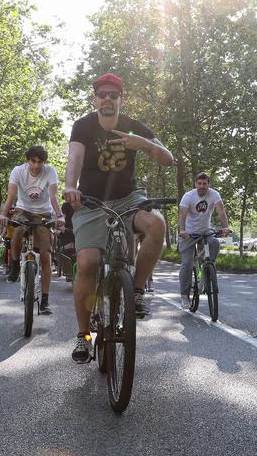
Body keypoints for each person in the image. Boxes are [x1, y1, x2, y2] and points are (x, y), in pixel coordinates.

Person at [63, 73, 174, 363]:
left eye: (114, 94)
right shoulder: (83, 126)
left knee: (157, 225)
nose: (108, 98)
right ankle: (83, 337)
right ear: (95, 99)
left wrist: (144, 144)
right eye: (103, 93)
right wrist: (70, 186)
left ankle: (136, 291)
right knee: (87, 263)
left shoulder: (134, 127)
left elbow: (168, 159)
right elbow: (74, 158)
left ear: (121, 99)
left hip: (129, 198)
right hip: (91, 201)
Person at [1, 145, 63, 314]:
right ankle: (14, 265)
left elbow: (53, 197)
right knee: (18, 230)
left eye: (40, 162)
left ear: (44, 162)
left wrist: (60, 216)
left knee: (45, 256)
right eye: (32, 161)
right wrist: (4, 214)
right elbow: (11, 196)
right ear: (27, 160)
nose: (36, 165)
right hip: (23, 210)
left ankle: (45, 300)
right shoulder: (18, 171)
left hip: (44, 213)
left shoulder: (50, 172)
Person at [177, 172, 230, 301]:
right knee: (187, 264)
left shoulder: (214, 194)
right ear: (196, 184)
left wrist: (226, 227)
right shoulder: (188, 196)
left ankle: (208, 270)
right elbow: (182, 215)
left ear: (208, 184)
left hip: (205, 231)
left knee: (215, 243)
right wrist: (182, 230)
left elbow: (221, 212)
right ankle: (184, 295)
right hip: (188, 234)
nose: (202, 186)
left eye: (204, 184)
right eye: (199, 183)